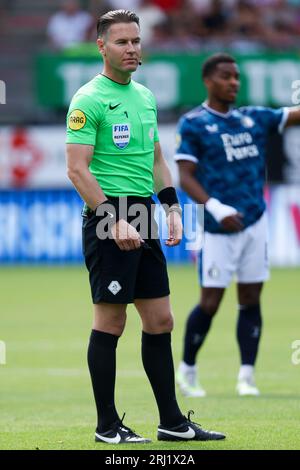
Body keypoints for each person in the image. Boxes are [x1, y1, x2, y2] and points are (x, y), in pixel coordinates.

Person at [66, 10, 225, 444]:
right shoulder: (89, 99)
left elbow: (156, 160)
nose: (133, 48)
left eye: (136, 40)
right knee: (110, 323)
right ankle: (106, 427)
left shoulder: (146, 97)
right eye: (122, 42)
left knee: (160, 320)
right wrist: (112, 220)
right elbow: (77, 170)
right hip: (108, 217)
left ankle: (172, 423)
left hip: (145, 214)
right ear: (102, 47)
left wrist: (171, 208)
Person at [175, 53, 300, 397]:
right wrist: (214, 208)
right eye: (226, 76)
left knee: (251, 297)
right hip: (216, 227)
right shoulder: (194, 123)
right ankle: (187, 370)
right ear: (208, 81)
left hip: (254, 221)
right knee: (211, 301)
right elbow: (185, 177)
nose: (234, 83)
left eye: (237, 77)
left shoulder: (254, 118)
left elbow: (294, 114)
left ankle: (246, 375)